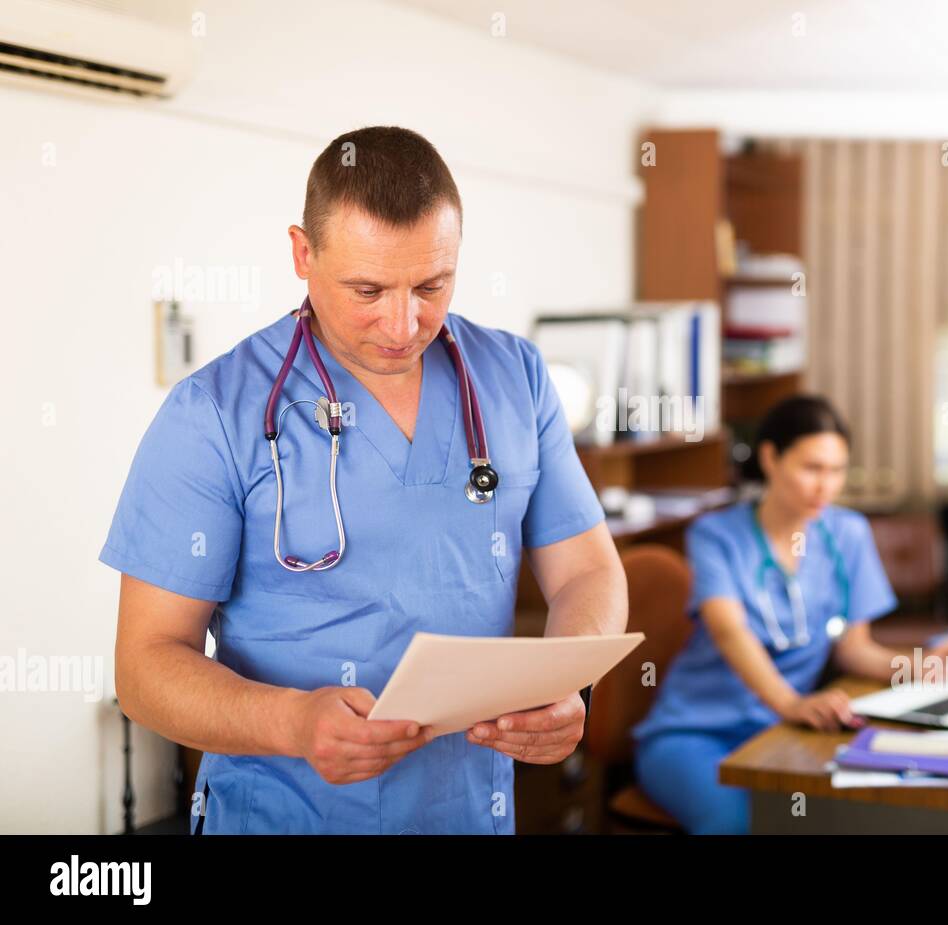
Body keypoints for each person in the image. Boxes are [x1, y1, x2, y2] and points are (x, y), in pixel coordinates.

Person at [100, 126, 627, 834]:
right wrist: (291, 721)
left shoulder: (515, 379)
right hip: (284, 815)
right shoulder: (214, 413)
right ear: (302, 253)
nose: (404, 323)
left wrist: (567, 681)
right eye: (368, 289)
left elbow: (587, 570)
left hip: (467, 812)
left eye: (431, 285)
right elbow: (144, 665)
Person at [632, 395, 948, 834]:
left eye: (836, 471)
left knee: (845, 814)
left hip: (783, 730)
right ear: (771, 458)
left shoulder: (847, 533)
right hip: (695, 732)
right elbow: (732, 633)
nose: (825, 486)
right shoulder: (715, 536)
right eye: (812, 468)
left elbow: (854, 648)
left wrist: (918, 665)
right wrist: (791, 702)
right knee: (735, 822)